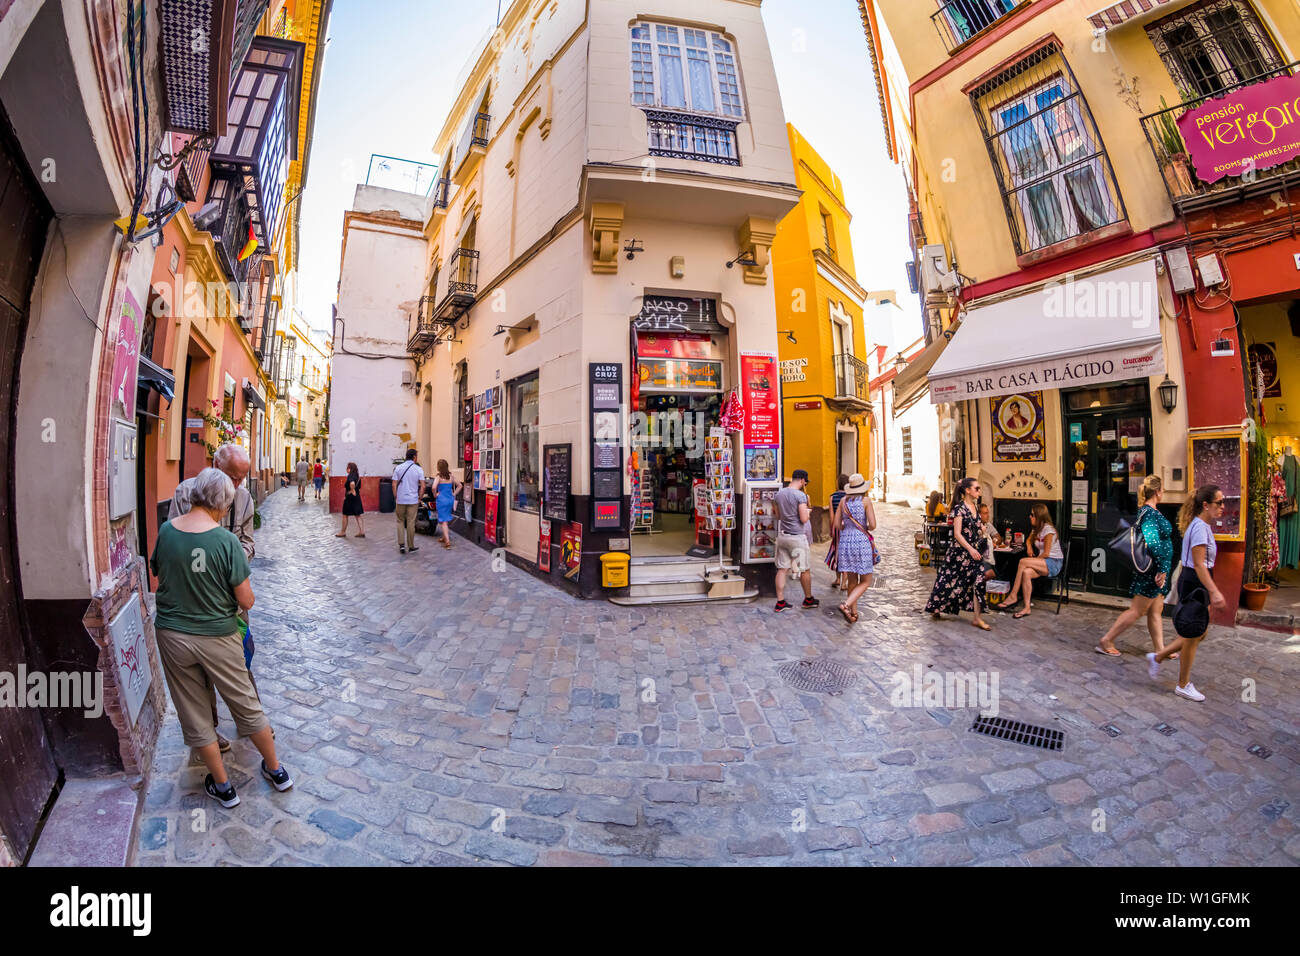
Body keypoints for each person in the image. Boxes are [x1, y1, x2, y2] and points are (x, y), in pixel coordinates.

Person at [151, 468, 291, 806]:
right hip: (218, 634)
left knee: (194, 709)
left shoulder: (167, 531)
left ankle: (224, 787)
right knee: (244, 702)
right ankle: (277, 771)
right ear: (225, 505)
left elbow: (158, 571)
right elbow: (247, 600)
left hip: (173, 634)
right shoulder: (226, 541)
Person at [170, 444, 255, 753]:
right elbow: (174, 541)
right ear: (214, 465)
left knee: (242, 659)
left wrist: (231, 557)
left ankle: (250, 719)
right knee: (199, 670)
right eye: (232, 476)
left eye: (241, 478)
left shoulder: (244, 498)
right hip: (194, 598)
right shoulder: (184, 493)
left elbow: (248, 542)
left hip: (230, 596)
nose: (236, 485)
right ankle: (209, 730)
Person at [1147, 485, 1226, 702]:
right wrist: (1215, 591)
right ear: (1206, 505)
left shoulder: (1201, 526)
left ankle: (1159, 656)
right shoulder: (1200, 528)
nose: (1222, 506)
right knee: (1193, 635)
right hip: (1195, 582)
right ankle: (1182, 684)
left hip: (1195, 581)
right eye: (1219, 502)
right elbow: (1199, 565)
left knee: (1199, 633)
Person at [1096, 475, 1174, 658]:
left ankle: (1160, 649)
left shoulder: (1150, 511)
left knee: (1156, 610)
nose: (1163, 493)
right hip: (1153, 571)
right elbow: (1153, 542)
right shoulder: (1149, 514)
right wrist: (1162, 568)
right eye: (1163, 489)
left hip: (1158, 569)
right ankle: (1106, 640)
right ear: (1157, 491)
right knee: (1137, 610)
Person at [924, 477, 992, 631]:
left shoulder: (974, 507)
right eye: (977, 488)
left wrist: (982, 529)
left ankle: (977, 618)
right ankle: (936, 607)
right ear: (967, 490)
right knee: (947, 581)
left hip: (973, 553)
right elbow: (957, 534)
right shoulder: (959, 509)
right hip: (959, 553)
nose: (979, 491)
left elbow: (978, 525)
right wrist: (971, 549)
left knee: (979, 580)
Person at [1002, 502, 1063, 619]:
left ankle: (1013, 595)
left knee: (1023, 562)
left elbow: (1046, 553)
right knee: (1026, 572)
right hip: (1044, 562)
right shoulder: (1036, 529)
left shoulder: (1048, 530)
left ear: (1039, 516)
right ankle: (1026, 608)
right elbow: (1029, 541)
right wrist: (1029, 547)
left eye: (1032, 515)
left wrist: (1033, 561)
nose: (1030, 517)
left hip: (1053, 563)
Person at [832, 473, 877, 623]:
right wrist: (863, 526)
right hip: (861, 542)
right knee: (866, 580)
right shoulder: (866, 501)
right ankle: (846, 605)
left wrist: (848, 526)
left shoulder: (843, 501)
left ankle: (854, 613)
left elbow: (837, 525)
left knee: (852, 579)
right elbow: (873, 525)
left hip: (846, 541)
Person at [772, 469, 819, 611]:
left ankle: (780, 602)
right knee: (804, 569)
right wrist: (808, 513)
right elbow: (804, 519)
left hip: (783, 536)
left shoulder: (779, 494)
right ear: (802, 480)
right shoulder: (800, 496)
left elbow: (778, 516)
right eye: (805, 481)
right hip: (797, 537)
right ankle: (808, 599)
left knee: (782, 569)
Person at [392, 448, 425, 555]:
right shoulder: (418, 469)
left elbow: (393, 484)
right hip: (413, 500)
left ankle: (401, 545)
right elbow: (423, 486)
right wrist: (419, 497)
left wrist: (396, 496)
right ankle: (411, 546)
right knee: (411, 522)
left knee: (400, 521)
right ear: (414, 457)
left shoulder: (398, 468)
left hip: (401, 499)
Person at [433, 459, 461, 550]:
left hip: (441, 501)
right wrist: (454, 494)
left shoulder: (438, 477)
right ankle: (444, 537)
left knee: (443, 521)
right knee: (445, 519)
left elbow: (433, 487)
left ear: (439, 467)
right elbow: (460, 485)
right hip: (450, 500)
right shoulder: (451, 476)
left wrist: (435, 494)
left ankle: (447, 542)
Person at [829, 474, 851, 591]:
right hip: (847, 528)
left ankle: (837, 579)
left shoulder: (832, 497)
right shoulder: (849, 497)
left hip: (837, 528)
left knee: (837, 552)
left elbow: (831, 516)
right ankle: (844, 583)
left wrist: (831, 529)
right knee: (845, 553)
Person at [337, 462, 365, 538]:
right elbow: (359, 487)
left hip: (350, 497)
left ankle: (343, 532)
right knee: (357, 514)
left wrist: (352, 490)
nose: (346, 469)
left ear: (350, 469)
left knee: (345, 514)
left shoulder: (351, 476)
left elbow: (352, 483)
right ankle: (361, 531)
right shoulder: (357, 476)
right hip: (357, 497)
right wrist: (355, 490)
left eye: (347, 467)